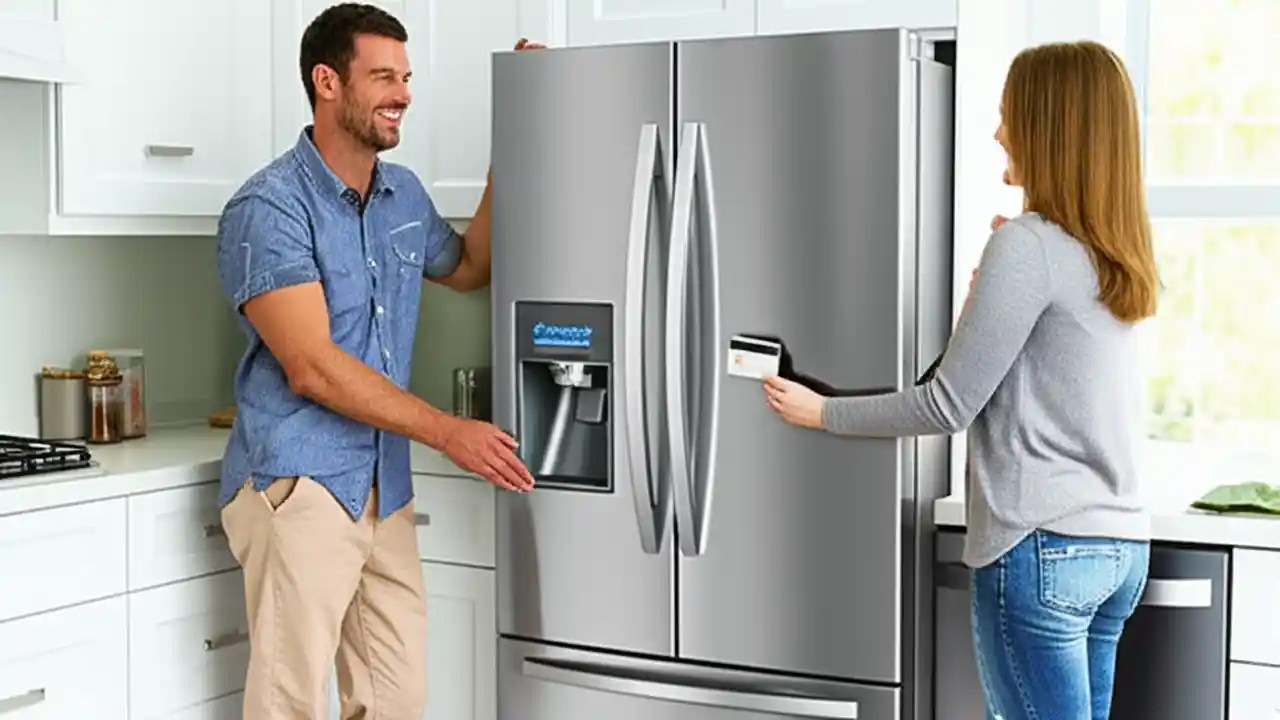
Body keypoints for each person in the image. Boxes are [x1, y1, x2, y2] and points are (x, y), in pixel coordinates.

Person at [763, 40, 1157, 719]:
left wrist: (819, 412)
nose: (999, 131)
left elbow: (947, 403)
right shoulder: (1110, 251)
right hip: (1118, 549)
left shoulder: (1027, 246)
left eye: (1010, 116)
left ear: (1048, 126)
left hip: (1041, 546)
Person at [213, 4, 540, 717]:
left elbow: (471, 266)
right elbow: (312, 366)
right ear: (327, 82)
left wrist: (519, 118)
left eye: (407, 76)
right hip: (299, 486)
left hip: (381, 488)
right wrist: (448, 430)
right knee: (289, 702)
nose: (403, 93)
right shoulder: (270, 207)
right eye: (383, 76)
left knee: (396, 699)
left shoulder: (403, 196)